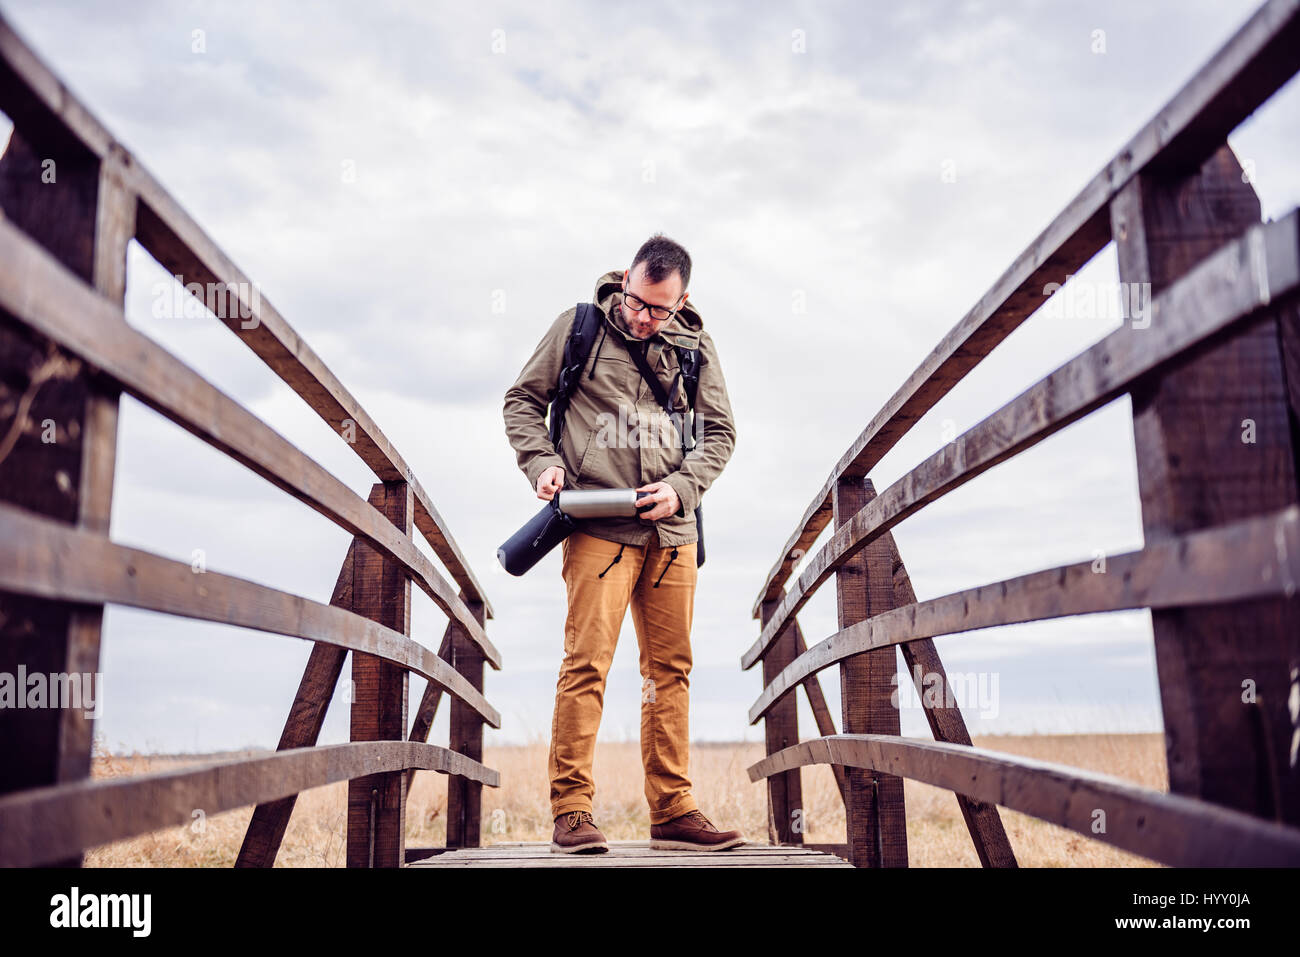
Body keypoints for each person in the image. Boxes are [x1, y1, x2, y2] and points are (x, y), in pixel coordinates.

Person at [502, 233, 743, 853]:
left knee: (671, 672)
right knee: (586, 665)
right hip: (595, 528)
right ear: (626, 281)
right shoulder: (579, 326)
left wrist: (684, 488)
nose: (641, 316)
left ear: (681, 299)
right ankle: (573, 813)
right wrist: (541, 464)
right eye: (636, 301)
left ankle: (673, 810)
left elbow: (719, 433)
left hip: (672, 532)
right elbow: (523, 402)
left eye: (657, 308)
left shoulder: (696, 345)